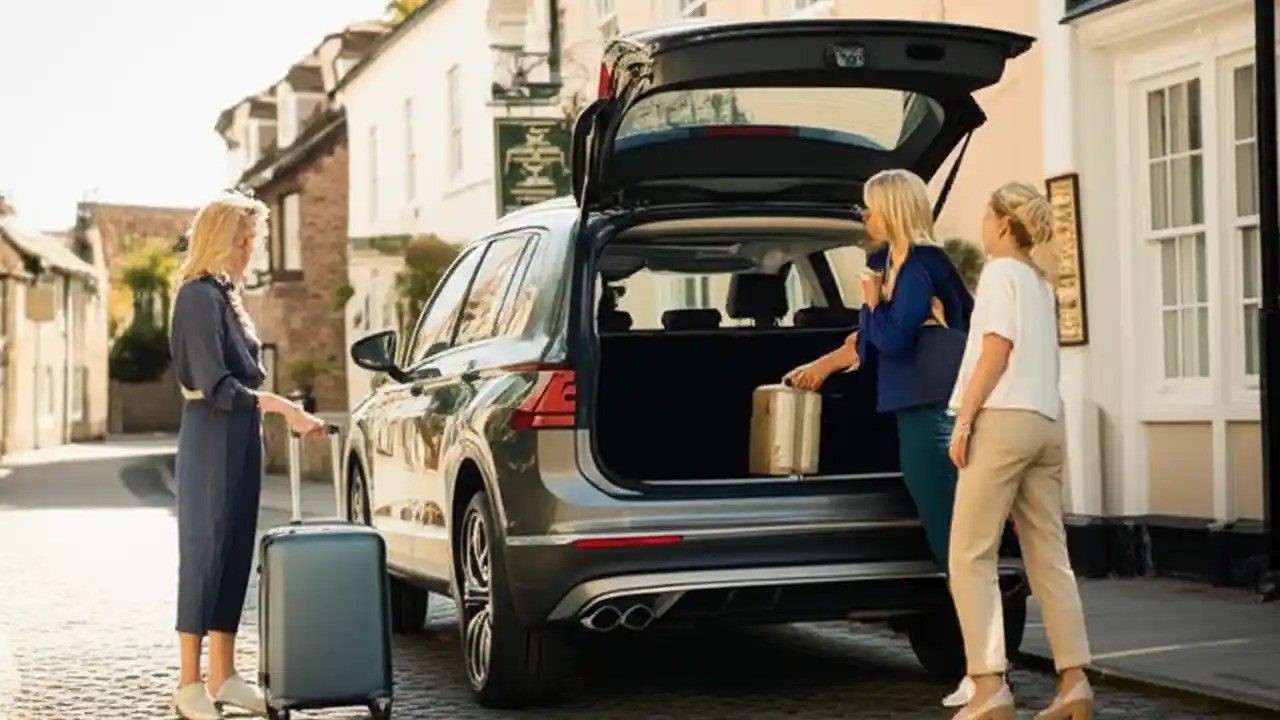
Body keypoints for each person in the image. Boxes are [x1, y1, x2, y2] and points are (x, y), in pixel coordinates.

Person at [785, 168, 974, 707]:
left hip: (931, 413)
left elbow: (890, 339)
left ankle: (982, 669)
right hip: (917, 410)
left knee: (955, 543)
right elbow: (869, 342)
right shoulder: (894, 263)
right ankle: (982, 663)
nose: (864, 215)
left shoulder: (920, 265)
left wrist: (870, 301)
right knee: (951, 539)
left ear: (893, 209)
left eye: (870, 206)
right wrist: (825, 364)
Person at [169, 191, 324, 720]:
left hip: (240, 431)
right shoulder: (197, 296)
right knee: (204, 552)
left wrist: (268, 412)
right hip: (211, 432)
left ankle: (223, 675)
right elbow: (215, 385)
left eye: (252, 240)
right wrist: (284, 408)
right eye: (244, 240)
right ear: (221, 241)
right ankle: (188, 683)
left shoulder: (226, 295)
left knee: (235, 549)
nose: (250, 250)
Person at [946, 181, 1093, 720]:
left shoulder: (999, 273)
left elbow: (996, 350)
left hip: (1004, 421)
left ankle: (988, 687)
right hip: (1047, 421)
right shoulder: (1039, 282)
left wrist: (965, 420)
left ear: (1004, 223)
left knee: (970, 554)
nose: (982, 227)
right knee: (1050, 556)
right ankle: (1074, 683)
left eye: (987, 217)